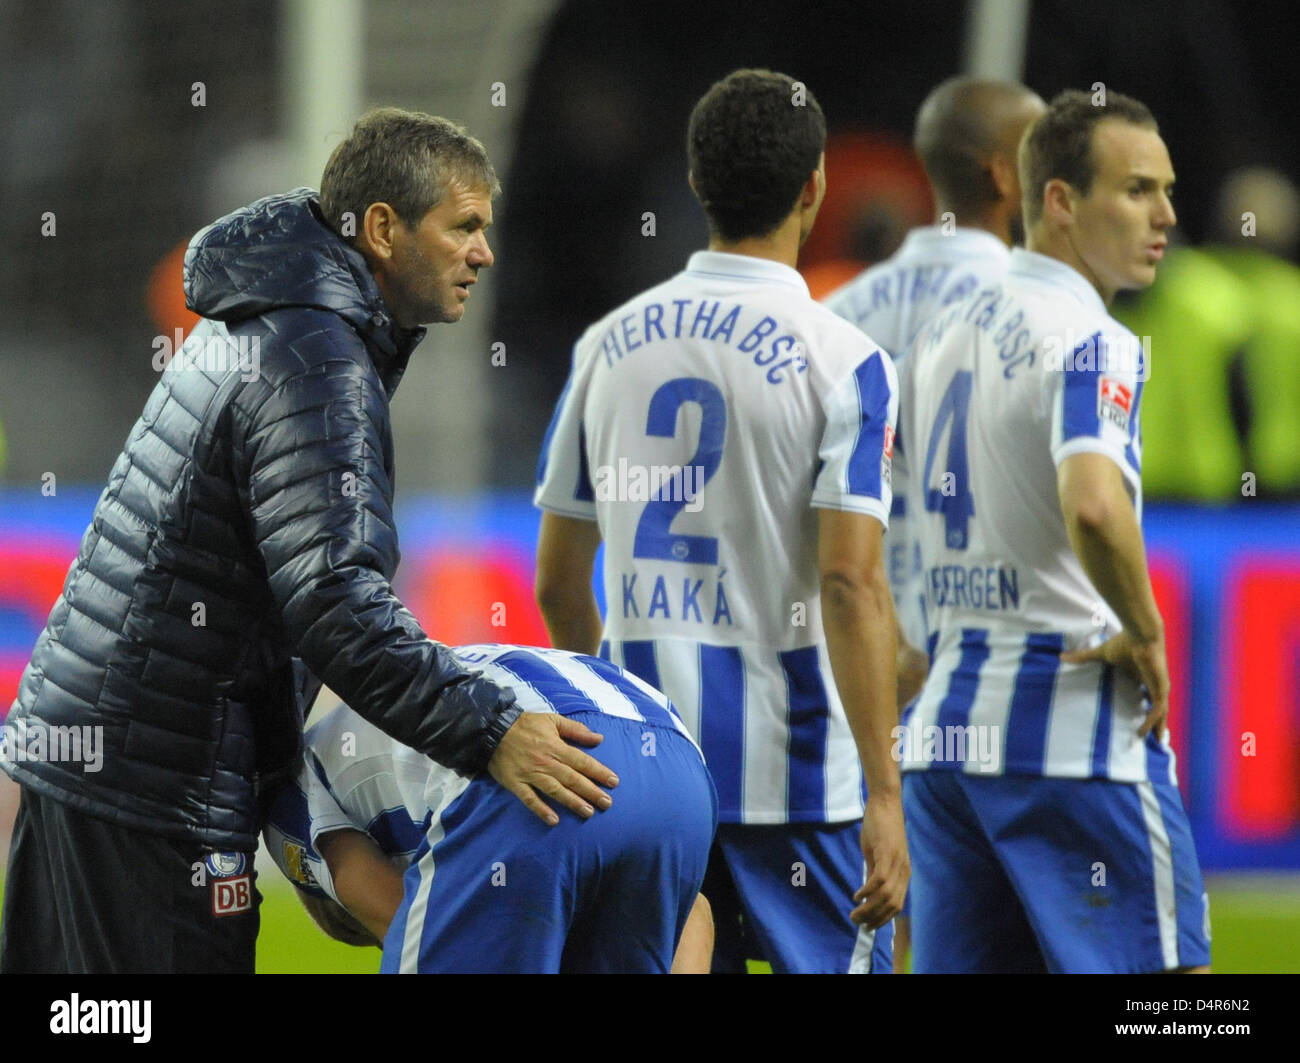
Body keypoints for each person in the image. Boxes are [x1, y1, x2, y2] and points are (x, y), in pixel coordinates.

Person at [0, 109, 617, 974]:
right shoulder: (316, 357)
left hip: (96, 760)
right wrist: (493, 729)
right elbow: (335, 601)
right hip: (155, 786)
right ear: (381, 230)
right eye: (465, 226)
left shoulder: (270, 314)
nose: (484, 253)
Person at [533, 68, 908, 974]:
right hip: (800, 784)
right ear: (816, 187)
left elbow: (555, 581)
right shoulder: (848, 361)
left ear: (696, 183)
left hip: (650, 782)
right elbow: (851, 581)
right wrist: (888, 794)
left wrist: (615, 723)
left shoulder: (604, 346)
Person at [898, 88, 1211, 973]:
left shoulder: (939, 337)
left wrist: (903, 640)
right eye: (1138, 190)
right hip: (1069, 722)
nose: (1167, 215)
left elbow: (866, 522)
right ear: (1061, 201)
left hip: (946, 738)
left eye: (1166, 189)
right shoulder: (1092, 337)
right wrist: (1144, 630)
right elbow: (1094, 502)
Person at [824, 76, 1044, 970]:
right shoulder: (1045, 315)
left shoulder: (837, 314)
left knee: (897, 912)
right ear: (1003, 172)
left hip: (870, 654)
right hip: (995, 661)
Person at [264, 643, 717, 973]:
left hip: (527, 763)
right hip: (677, 763)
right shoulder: (444, 670)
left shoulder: (289, 786)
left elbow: (394, 911)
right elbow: (692, 911)